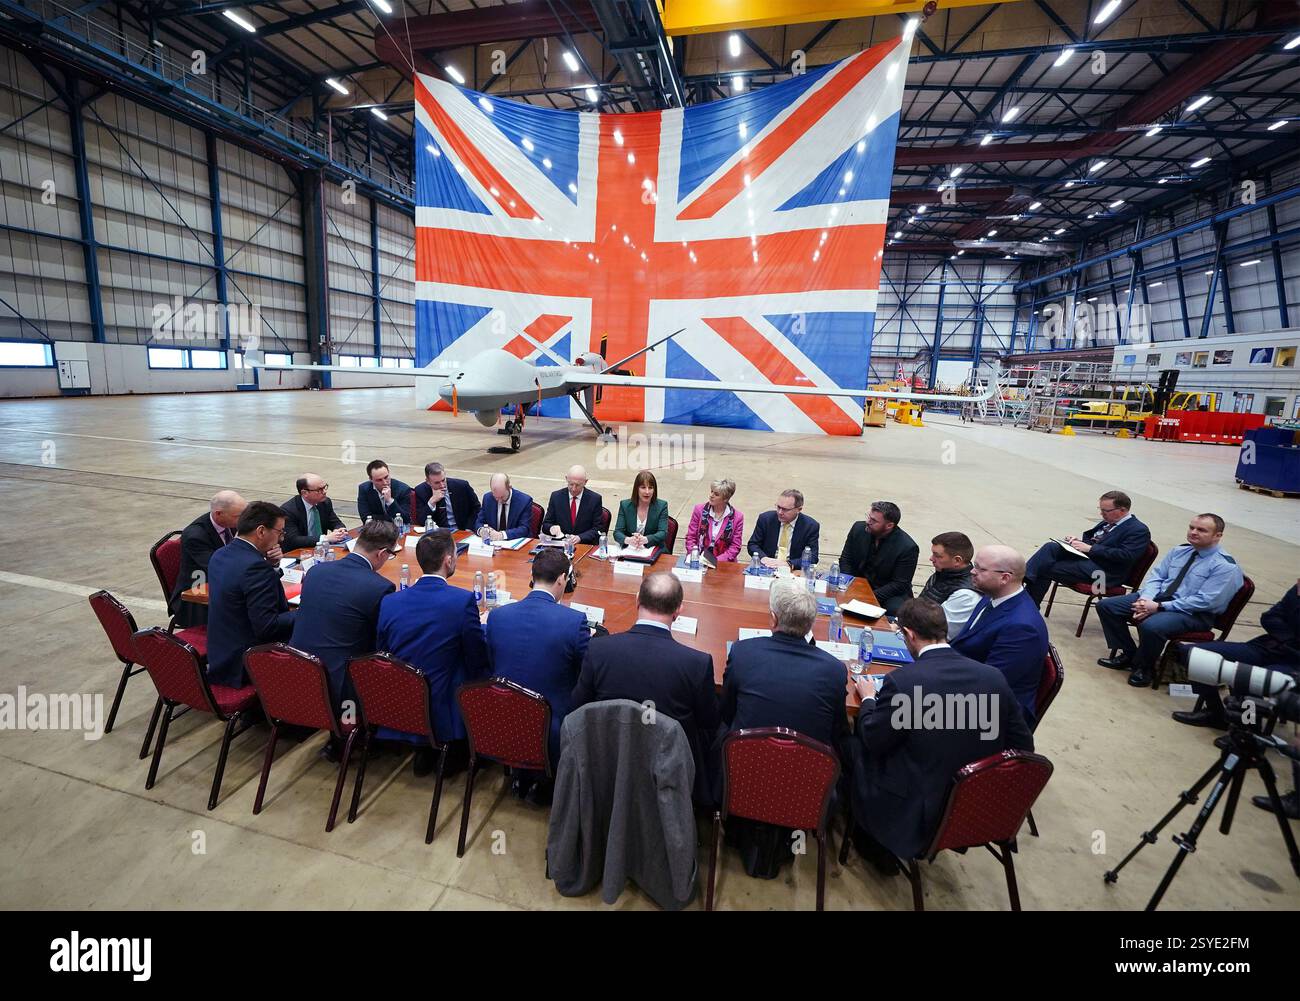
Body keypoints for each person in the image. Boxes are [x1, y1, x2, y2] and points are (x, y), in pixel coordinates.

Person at [848, 598, 1034, 874]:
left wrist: (868, 701)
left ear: (909, 635)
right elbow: (1022, 747)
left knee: (848, 741)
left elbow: (874, 740)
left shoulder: (904, 682)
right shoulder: (993, 677)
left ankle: (869, 837)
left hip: (914, 808)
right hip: (973, 803)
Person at [718, 579, 851, 878]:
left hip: (742, 776)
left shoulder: (743, 652)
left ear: (773, 619)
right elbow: (838, 731)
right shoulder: (833, 669)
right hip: (807, 785)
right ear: (811, 625)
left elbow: (725, 713)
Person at [573, 572, 719, 804]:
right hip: (666, 767)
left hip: (607, 759)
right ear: (679, 610)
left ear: (637, 599)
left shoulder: (599, 650)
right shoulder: (696, 664)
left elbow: (578, 707)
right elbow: (709, 722)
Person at [1172, 580, 1300, 819]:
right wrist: (1290, 636)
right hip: (1267, 648)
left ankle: (1250, 730)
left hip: (1293, 662)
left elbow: (1278, 621)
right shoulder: (1297, 588)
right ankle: (1216, 713)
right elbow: (1269, 616)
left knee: (1250, 679)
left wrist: (1288, 637)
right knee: (1198, 655)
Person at [375, 530, 490, 776]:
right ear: (449, 560)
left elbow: (382, 652)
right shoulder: (462, 601)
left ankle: (423, 747)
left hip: (403, 696)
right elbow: (476, 655)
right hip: (441, 698)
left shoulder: (391, 601)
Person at [484, 548, 590, 796]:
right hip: (550, 729)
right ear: (563, 579)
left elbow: (491, 664)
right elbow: (585, 674)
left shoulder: (497, 616)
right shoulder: (575, 621)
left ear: (533, 576)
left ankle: (522, 775)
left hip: (500, 722)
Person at [1096, 513, 1244, 688]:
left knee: (1151, 626)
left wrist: (1158, 607)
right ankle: (1130, 654)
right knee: (1107, 606)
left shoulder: (1225, 567)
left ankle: (1145, 668)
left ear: (1217, 535)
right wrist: (1145, 599)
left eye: (1202, 530)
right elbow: (1157, 577)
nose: (1193, 532)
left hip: (1193, 613)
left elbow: (1206, 601)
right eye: (1192, 527)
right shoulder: (1179, 551)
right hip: (1158, 599)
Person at [289, 520, 398, 722]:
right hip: (341, 685)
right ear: (382, 553)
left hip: (298, 671)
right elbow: (382, 638)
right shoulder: (379, 587)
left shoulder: (316, 572)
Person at [949, 545, 1049, 725]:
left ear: (1005, 578)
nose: (972, 571)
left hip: (991, 715)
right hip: (964, 682)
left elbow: (990, 686)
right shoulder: (992, 596)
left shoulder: (1022, 628)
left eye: (980, 568)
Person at [205, 500, 295, 688]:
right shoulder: (255, 568)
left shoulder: (220, 554)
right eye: (280, 532)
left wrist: (269, 566)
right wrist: (307, 610)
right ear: (261, 531)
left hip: (220, 653)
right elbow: (267, 627)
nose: (281, 539)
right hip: (246, 663)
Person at [1023, 490, 1152, 607]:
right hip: (1089, 561)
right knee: (1051, 547)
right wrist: (1078, 543)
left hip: (1104, 574)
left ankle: (1027, 607)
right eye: (1100, 509)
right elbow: (1096, 542)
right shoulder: (1109, 521)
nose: (1101, 513)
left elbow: (1126, 556)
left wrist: (1090, 549)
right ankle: (1024, 578)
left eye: (1105, 511)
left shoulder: (1138, 530)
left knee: (1046, 568)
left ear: (1122, 510)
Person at [171, 490, 246, 629]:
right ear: (219, 514)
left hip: (223, 584)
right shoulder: (196, 536)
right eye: (238, 516)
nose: (243, 521)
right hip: (196, 595)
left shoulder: (232, 524)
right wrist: (241, 547)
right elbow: (219, 567)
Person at [839, 501, 919, 615]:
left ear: (889, 526)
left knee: (895, 609)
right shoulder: (858, 528)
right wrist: (848, 583)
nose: (868, 522)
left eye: (874, 521)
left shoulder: (907, 547)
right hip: (857, 583)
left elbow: (899, 584)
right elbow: (846, 559)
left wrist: (869, 596)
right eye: (869, 517)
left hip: (886, 591)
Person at [918, 531, 981, 640]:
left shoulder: (966, 596)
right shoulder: (943, 573)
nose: (931, 559)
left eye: (937, 556)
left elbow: (940, 634)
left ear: (957, 560)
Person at [746, 489, 819, 569]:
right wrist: (763, 558)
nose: (780, 512)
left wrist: (789, 564)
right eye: (778, 507)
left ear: (799, 509)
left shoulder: (810, 526)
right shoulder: (765, 519)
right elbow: (753, 545)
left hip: (792, 571)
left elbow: (813, 557)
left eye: (785, 509)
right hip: (766, 567)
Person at [281, 474, 347, 552]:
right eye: (319, 490)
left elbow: (335, 522)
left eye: (325, 487)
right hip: (298, 552)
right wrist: (325, 538)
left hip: (321, 551)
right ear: (305, 493)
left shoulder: (325, 502)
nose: (325, 492)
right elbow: (293, 540)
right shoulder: (288, 510)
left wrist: (340, 530)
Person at [685, 478, 745, 562]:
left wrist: (715, 561)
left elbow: (735, 546)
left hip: (723, 563)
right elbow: (691, 537)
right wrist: (694, 555)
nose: (711, 495)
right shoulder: (699, 510)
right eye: (711, 491)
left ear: (725, 499)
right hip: (697, 560)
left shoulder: (737, 517)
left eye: (716, 494)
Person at [542, 464, 604, 545]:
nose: (574, 489)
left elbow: (598, 529)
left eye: (578, 485)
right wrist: (551, 528)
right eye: (571, 484)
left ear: (585, 482)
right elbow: (546, 525)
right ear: (566, 479)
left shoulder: (595, 499)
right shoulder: (556, 496)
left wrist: (580, 537)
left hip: (584, 545)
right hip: (561, 545)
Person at [412, 462, 480, 531]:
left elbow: (476, 509)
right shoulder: (421, 490)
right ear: (428, 481)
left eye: (443, 480)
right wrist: (431, 502)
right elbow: (421, 520)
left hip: (462, 530)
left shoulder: (462, 486)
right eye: (437, 483)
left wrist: (469, 528)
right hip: (438, 534)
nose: (442, 485)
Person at [613, 470, 669, 551]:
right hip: (631, 550)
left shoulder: (662, 506)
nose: (647, 492)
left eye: (650, 488)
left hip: (653, 550)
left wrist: (646, 539)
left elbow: (663, 533)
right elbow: (617, 533)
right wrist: (629, 540)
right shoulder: (625, 505)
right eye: (643, 487)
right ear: (637, 489)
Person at [471, 473, 534, 540]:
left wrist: (502, 535)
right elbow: (479, 522)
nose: (499, 501)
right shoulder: (488, 498)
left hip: (514, 542)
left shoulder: (524, 501)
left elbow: (524, 529)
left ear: (509, 487)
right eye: (496, 497)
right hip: (492, 544)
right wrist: (482, 530)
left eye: (502, 497)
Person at [356, 460, 413, 524]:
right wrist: (390, 518)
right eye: (379, 480)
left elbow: (405, 519)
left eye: (386, 477)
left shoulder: (403, 489)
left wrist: (390, 501)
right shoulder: (364, 489)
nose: (385, 482)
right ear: (371, 479)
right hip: (375, 530)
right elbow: (365, 518)